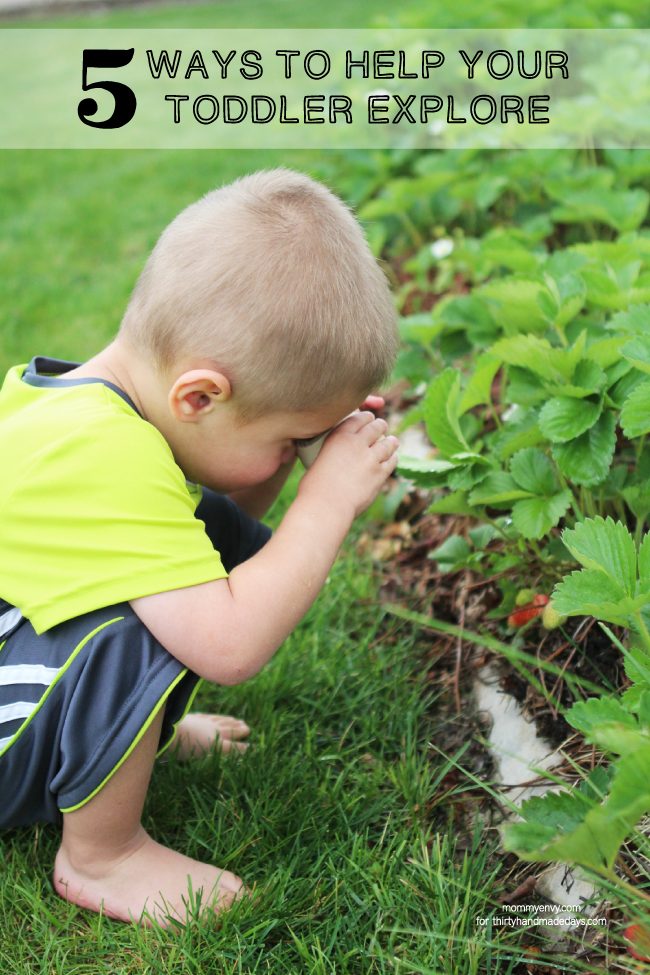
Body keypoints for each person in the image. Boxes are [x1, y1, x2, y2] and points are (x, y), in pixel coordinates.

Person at [0, 168, 399, 927]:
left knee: (189, 547)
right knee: (130, 628)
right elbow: (230, 642)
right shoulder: (104, 461)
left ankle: (127, 742)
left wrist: (285, 444)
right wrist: (329, 496)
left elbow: (213, 534)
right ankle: (101, 855)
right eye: (287, 439)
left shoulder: (82, 410)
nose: (293, 456)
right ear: (201, 397)